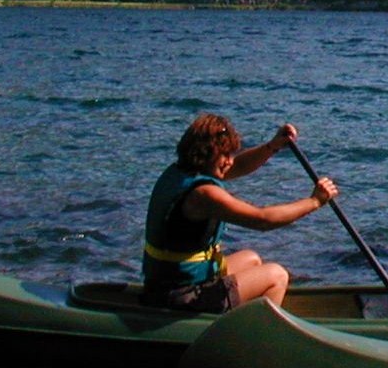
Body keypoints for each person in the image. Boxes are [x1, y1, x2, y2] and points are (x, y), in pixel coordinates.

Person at [141, 113, 337, 312]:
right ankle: (254, 337)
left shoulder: (180, 171)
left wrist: (273, 146)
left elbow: (239, 165)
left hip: (168, 284)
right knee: (276, 275)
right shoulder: (203, 195)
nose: (229, 161)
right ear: (205, 153)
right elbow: (263, 220)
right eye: (224, 155)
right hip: (181, 296)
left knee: (251, 259)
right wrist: (314, 201)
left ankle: (237, 315)